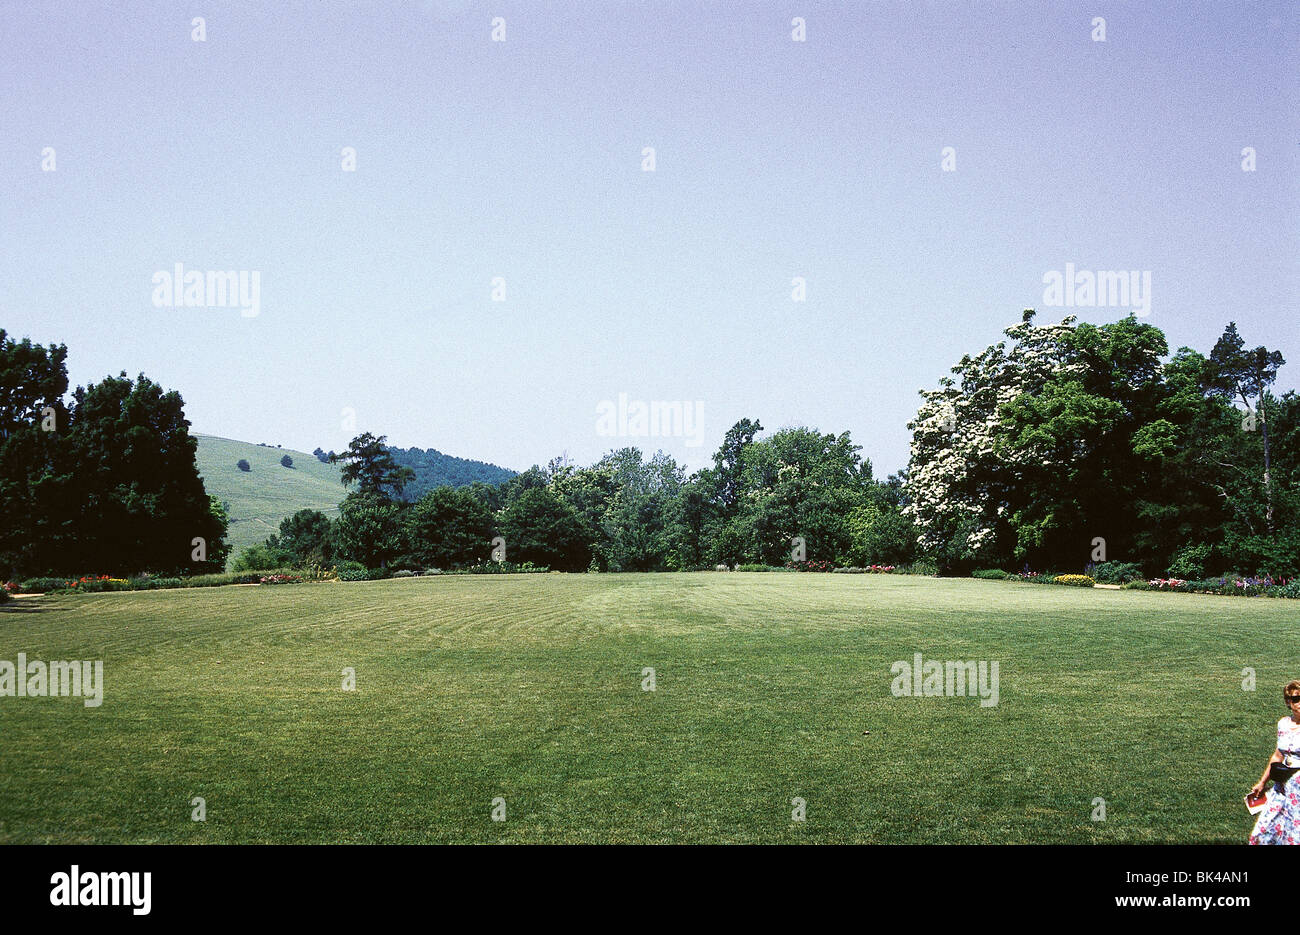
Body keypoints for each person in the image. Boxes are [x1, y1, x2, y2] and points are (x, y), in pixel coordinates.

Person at [1249, 679, 1300, 845]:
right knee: (1263, 830)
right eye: (1296, 699)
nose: (1299, 703)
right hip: (1281, 786)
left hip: (1298, 788)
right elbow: (1278, 755)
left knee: (1295, 834)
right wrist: (1262, 782)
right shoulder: (1283, 724)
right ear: (1288, 702)